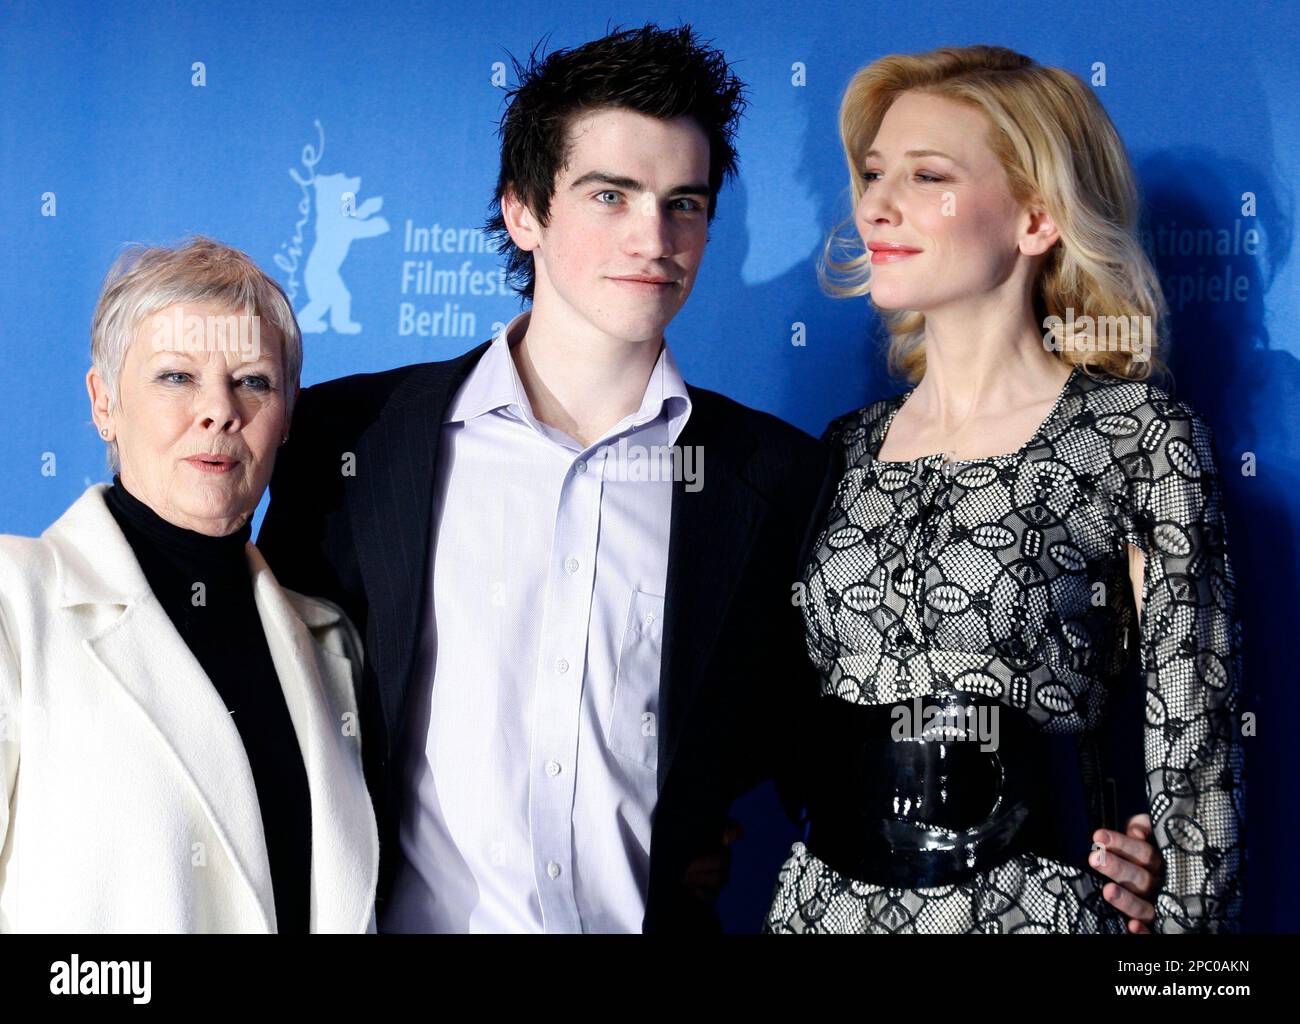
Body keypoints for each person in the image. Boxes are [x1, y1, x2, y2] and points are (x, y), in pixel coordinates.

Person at [258, 25, 1160, 933]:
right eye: (609, 195)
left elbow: (840, 727)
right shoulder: (356, 440)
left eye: (682, 202)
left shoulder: (775, 479)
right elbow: (266, 711)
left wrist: (1089, 831)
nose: (653, 237)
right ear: (524, 212)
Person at [764, 45, 1244, 934]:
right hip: (821, 912)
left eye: (927, 175)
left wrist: (1181, 947)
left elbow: (1198, 758)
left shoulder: (1135, 439)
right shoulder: (842, 450)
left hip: (1024, 914)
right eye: (873, 175)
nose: (875, 205)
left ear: (1035, 218)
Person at [0, 238, 378, 932]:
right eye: (176, 377)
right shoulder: (14, 603)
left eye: (254, 381)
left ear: (287, 416)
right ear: (104, 401)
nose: (219, 411)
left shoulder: (329, 644)